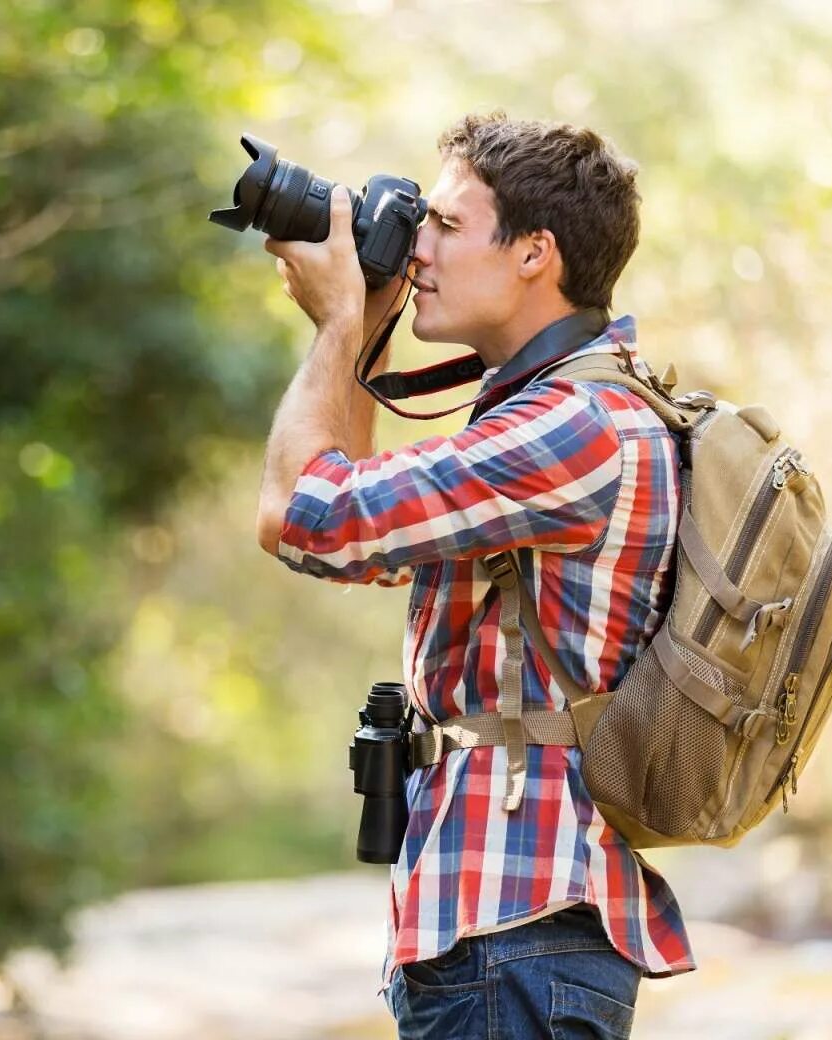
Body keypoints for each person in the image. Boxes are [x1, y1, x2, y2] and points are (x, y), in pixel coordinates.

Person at [254, 111, 696, 1038]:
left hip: (518, 927)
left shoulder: (572, 427)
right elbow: (365, 548)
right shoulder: (554, 414)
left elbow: (303, 519)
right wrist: (370, 323)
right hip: (505, 927)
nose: (418, 249)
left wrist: (337, 324)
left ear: (535, 254)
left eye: (447, 226)